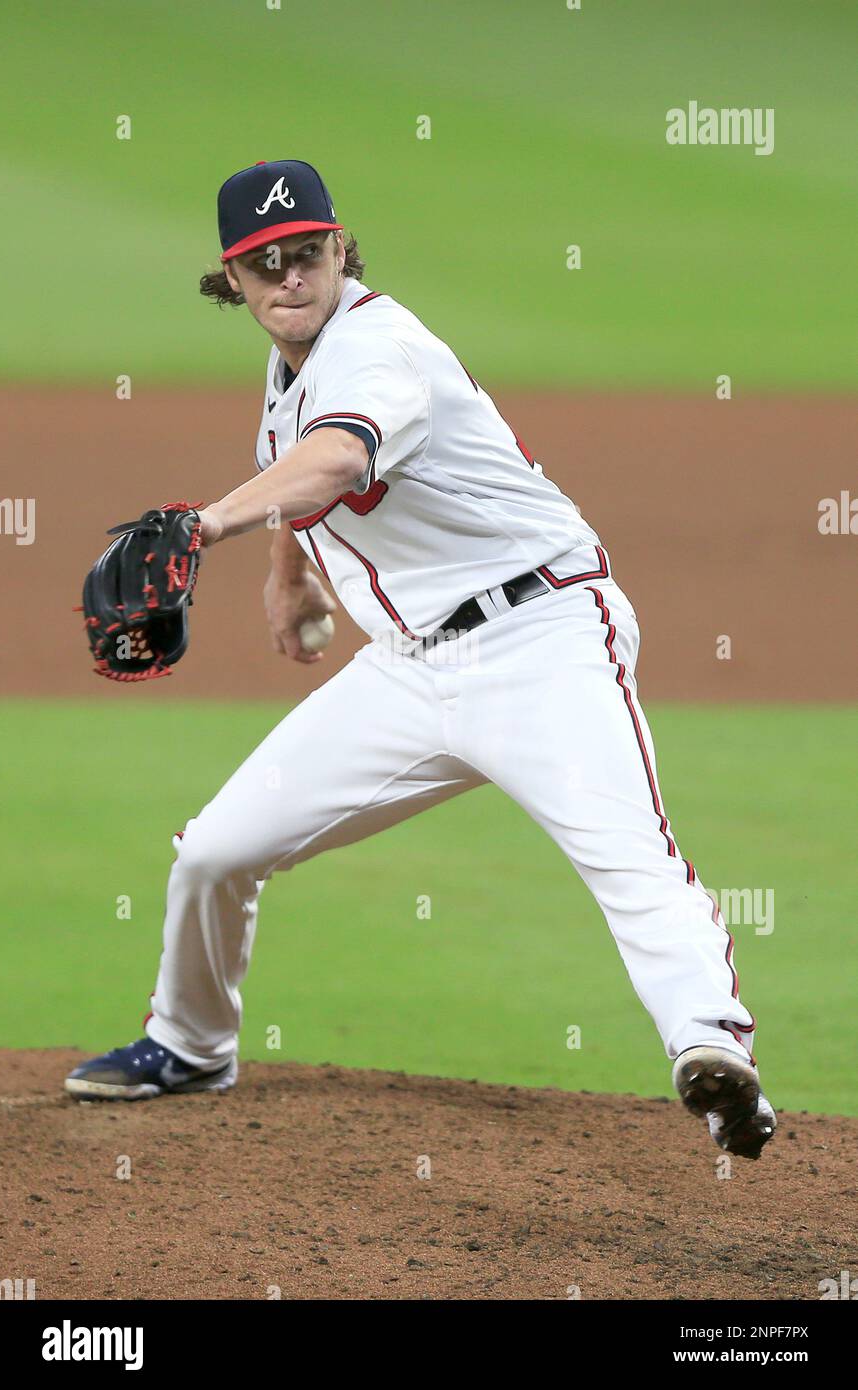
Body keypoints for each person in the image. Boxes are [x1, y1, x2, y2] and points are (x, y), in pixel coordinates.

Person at [66, 160, 776, 1160]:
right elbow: (300, 464)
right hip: (406, 669)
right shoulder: (291, 374)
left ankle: (710, 1050)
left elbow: (344, 455)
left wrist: (209, 520)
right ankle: (189, 1044)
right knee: (214, 852)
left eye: (305, 252)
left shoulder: (378, 345)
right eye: (262, 264)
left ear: (339, 246)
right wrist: (291, 577)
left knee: (624, 855)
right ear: (231, 279)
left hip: (543, 641)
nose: (288, 276)